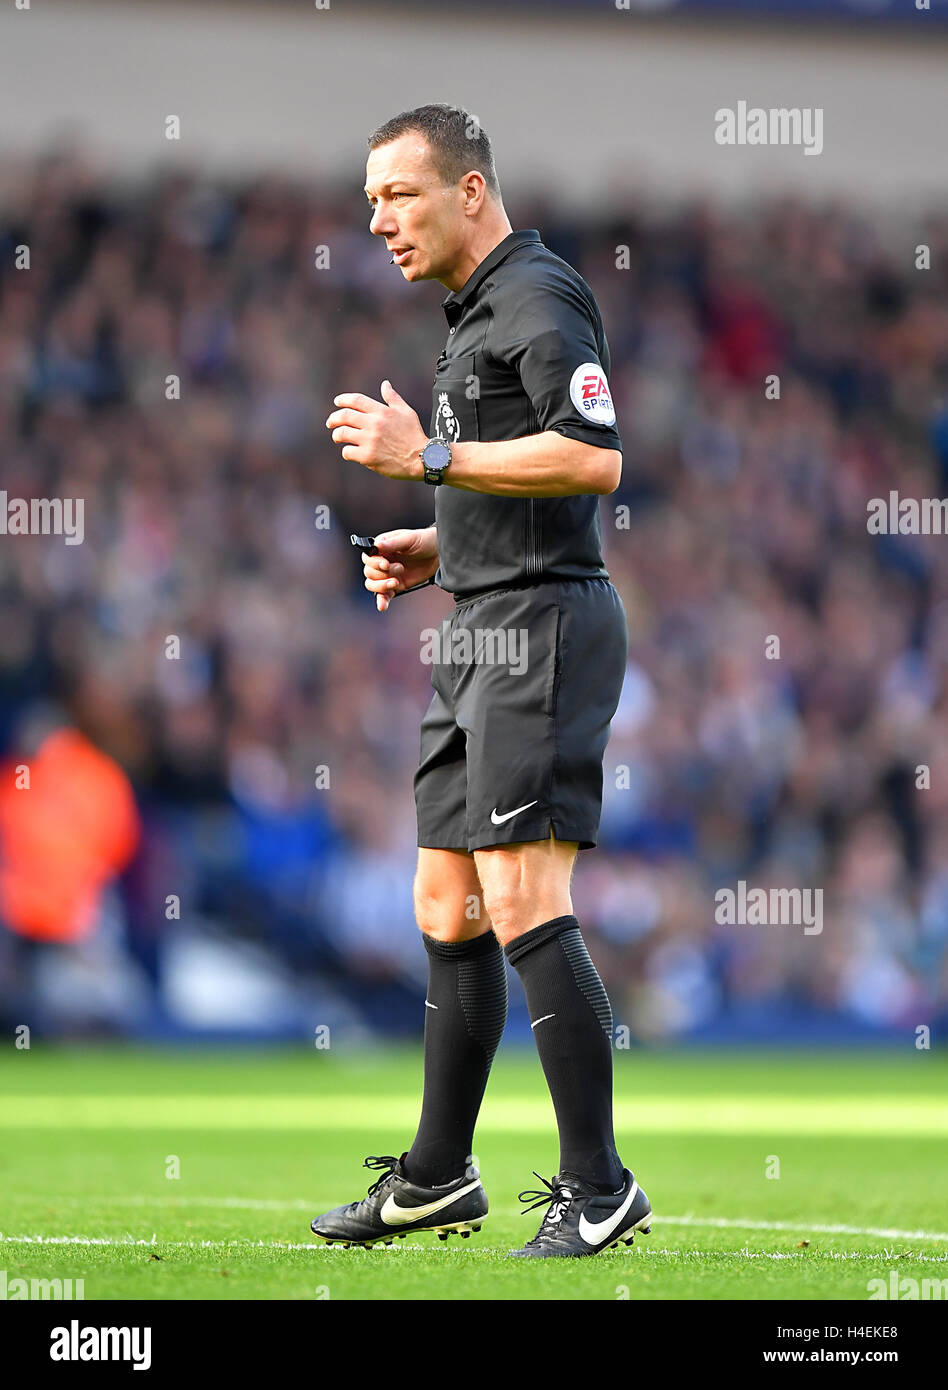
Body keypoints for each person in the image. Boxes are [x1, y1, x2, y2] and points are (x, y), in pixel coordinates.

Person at [310, 104, 651, 1258]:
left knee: (520, 899)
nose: (378, 221)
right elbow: (518, 486)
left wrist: (432, 458)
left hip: (545, 630)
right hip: (482, 623)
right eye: (369, 202)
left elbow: (593, 457)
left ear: (469, 191)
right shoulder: (472, 318)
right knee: (443, 905)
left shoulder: (540, 296)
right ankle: (437, 1175)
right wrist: (440, 542)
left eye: (397, 195)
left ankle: (598, 1185)